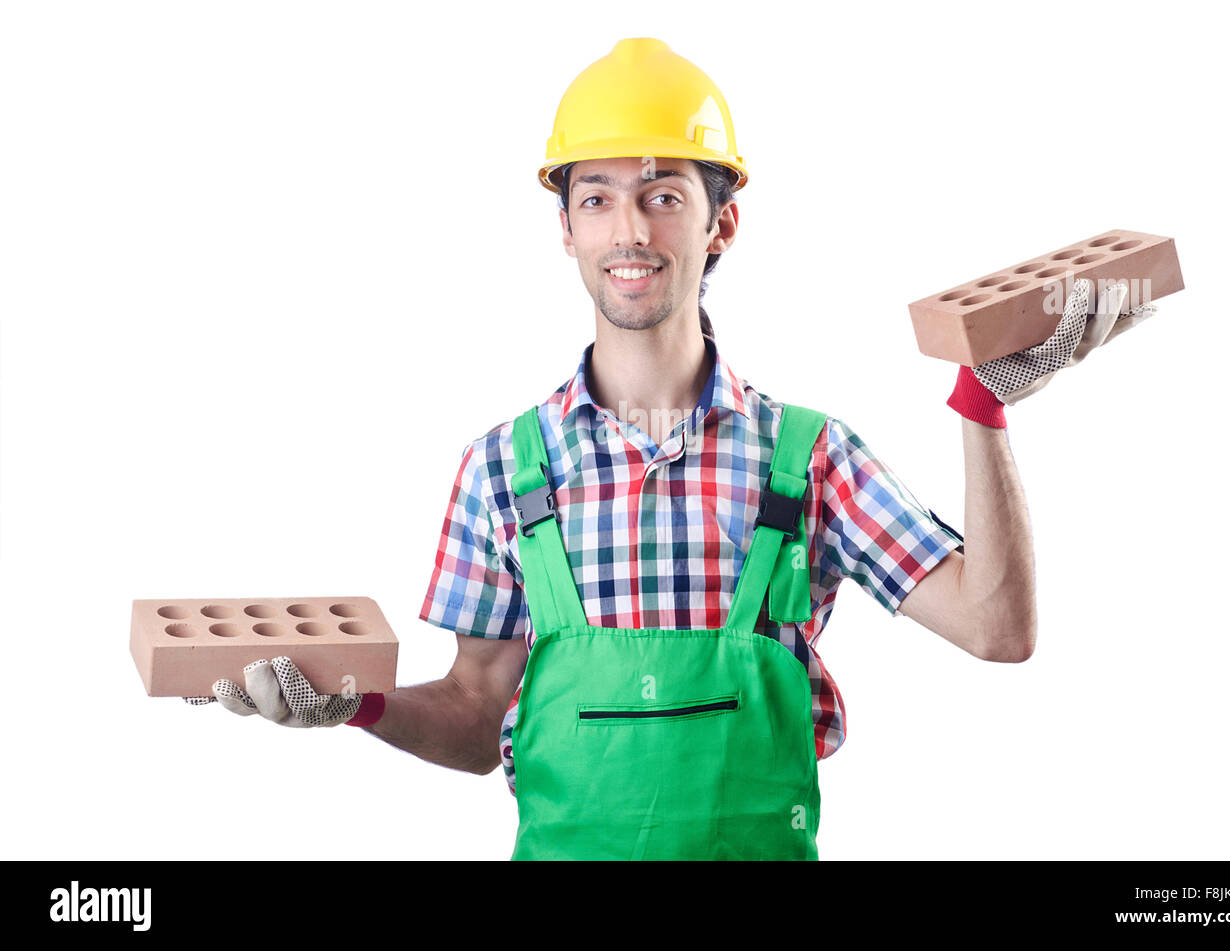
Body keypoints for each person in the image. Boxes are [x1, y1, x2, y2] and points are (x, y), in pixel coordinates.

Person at [191, 38, 1138, 860]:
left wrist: (982, 404)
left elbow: (997, 628)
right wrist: (354, 703)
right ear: (565, 229)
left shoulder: (808, 457)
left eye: (663, 194)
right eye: (596, 197)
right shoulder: (500, 470)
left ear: (722, 221)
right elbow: (478, 719)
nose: (630, 229)